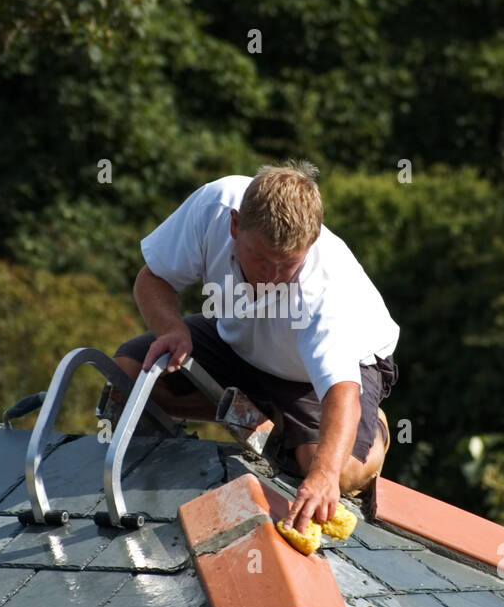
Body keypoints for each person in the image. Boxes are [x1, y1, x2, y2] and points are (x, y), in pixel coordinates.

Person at [113, 160, 400, 534]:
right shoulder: (213, 206)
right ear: (233, 225)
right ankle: (263, 411)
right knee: (127, 379)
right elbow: (152, 278)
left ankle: (369, 429)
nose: (271, 275)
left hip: (318, 378)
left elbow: (341, 391)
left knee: (335, 468)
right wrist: (171, 328)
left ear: (309, 245)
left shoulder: (326, 291)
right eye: (260, 258)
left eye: (287, 264)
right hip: (239, 340)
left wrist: (323, 477)